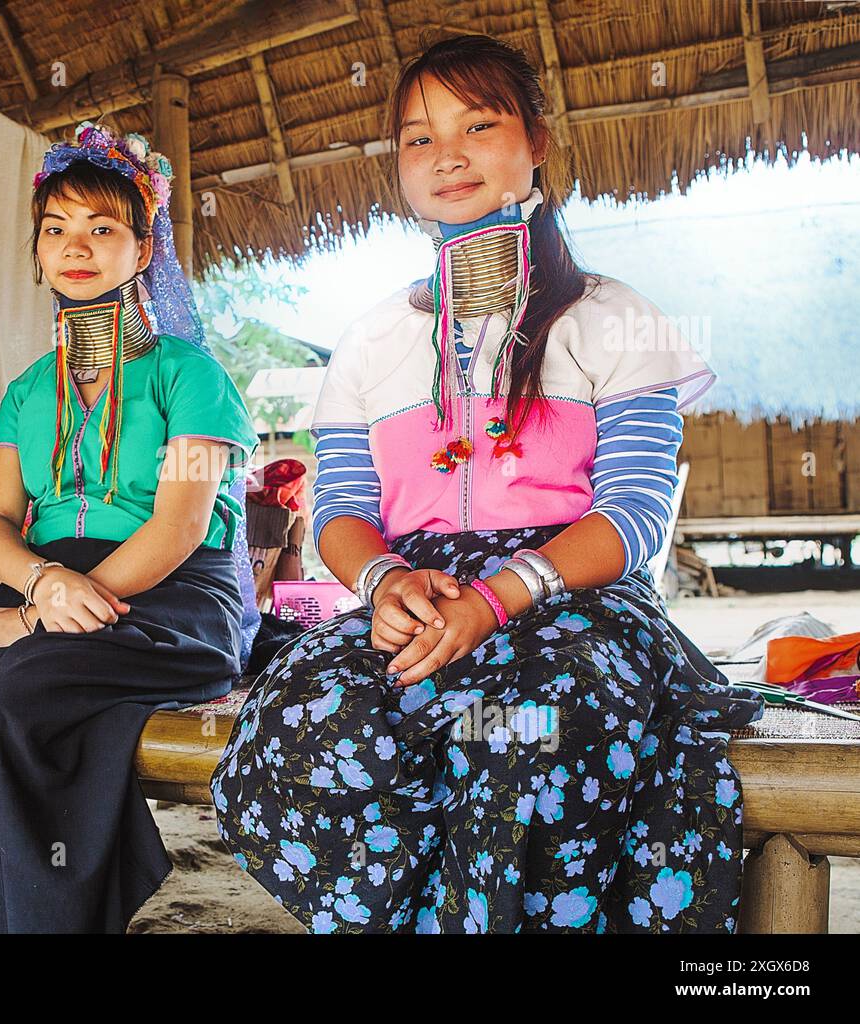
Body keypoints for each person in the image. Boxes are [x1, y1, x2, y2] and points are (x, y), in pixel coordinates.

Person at [210, 34, 765, 934]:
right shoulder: (371, 341)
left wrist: (499, 598)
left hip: (573, 596)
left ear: (535, 140)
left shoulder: (612, 317)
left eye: (478, 125)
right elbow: (343, 511)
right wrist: (384, 584)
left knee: (533, 731)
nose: (447, 156)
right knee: (309, 719)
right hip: (418, 595)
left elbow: (634, 515)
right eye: (419, 138)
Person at [0, 121, 259, 933]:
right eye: (56, 229)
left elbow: (179, 527)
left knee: (10, 705)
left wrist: (38, 618)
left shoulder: (192, 377)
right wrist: (38, 587)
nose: (76, 246)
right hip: (44, 587)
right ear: (37, 252)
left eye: (102, 229)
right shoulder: (29, 391)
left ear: (143, 250)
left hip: (168, 599)